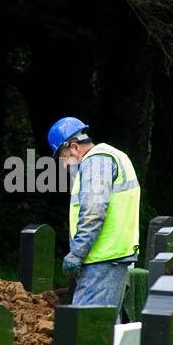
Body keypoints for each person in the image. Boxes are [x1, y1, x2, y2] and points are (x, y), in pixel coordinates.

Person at [47, 117, 141, 314]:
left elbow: (93, 212)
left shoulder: (96, 161)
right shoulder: (112, 155)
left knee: (85, 332)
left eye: (64, 158)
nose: (64, 166)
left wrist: (77, 252)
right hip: (111, 259)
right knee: (102, 332)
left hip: (102, 261)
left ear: (74, 148)